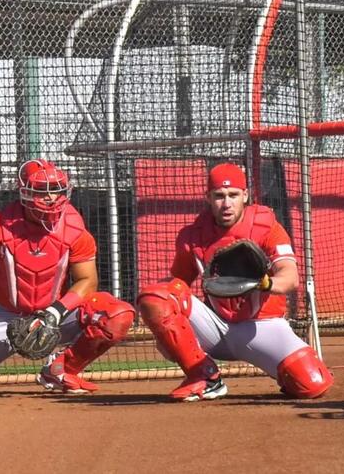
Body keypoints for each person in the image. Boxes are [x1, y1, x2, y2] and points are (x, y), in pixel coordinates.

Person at [0, 159, 135, 398]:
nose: (51, 197)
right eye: (42, 191)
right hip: (1, 318)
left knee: (116, 315)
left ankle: (61, 369)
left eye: (56, 190)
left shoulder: (75, 229)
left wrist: (54, 313)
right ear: (24, 191)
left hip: (54, 315)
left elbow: (87, 281)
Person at [136, 162, 333, 402]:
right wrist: (165, 331)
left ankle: (285, 370)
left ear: (245, 195)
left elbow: (290, 278)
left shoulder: (266, 227)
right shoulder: (193, 236)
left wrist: (265, 284)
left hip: (262, 327)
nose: (226, 203)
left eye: (233, 195)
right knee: (156, 296)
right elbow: (177, 286)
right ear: (208, 198)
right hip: (216, 328)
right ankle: (205, 377)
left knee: (312, 384)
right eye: (219, 196)